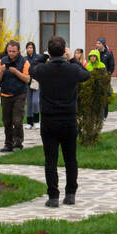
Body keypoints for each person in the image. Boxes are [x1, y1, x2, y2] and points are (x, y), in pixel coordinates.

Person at [27, 36, 90, 207]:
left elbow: (31, 68)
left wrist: (44, 55)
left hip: (49, 120)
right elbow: (86, 75)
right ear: (64, 51)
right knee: (70, 158)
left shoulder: (43, 70)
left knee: (51, 160)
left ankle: (53, 196)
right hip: (68, 119)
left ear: (49, 52)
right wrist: (72, 59)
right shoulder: (72, 69)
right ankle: (70, 194)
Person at [0, 40, 29, 153]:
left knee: (17, 120)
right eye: (9, 51)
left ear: (18, 51)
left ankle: (18, 142)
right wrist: (2, 71)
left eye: (14, 51)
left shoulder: (24, 62)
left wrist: (15, 72)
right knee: (7, 121)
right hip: (5, 94)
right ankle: (8, 144)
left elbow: (27, 79)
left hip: (19, 94)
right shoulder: (2, 61)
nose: (11, 53)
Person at [24, 41, 44, 128]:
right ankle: (29, 122)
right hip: (27, 82)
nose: (29, 49)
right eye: (28, 48)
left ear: (34, 48)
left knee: (35, 101)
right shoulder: (24, 59)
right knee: (29, 103)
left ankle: (36, 120)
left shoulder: (39, 57)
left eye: (31, 48)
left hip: (36, 82)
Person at [96, 39, 115, 119]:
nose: (97, 45)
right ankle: (98, 114)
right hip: (96, 78)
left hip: (105, 79)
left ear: (103, 44)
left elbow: (112, 66)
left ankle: (104, 114)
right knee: (97, 96)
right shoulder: (95, 53)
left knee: (104, 96)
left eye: (99, 43)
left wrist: (108, 75)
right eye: (96, 43)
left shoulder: (108, 54)